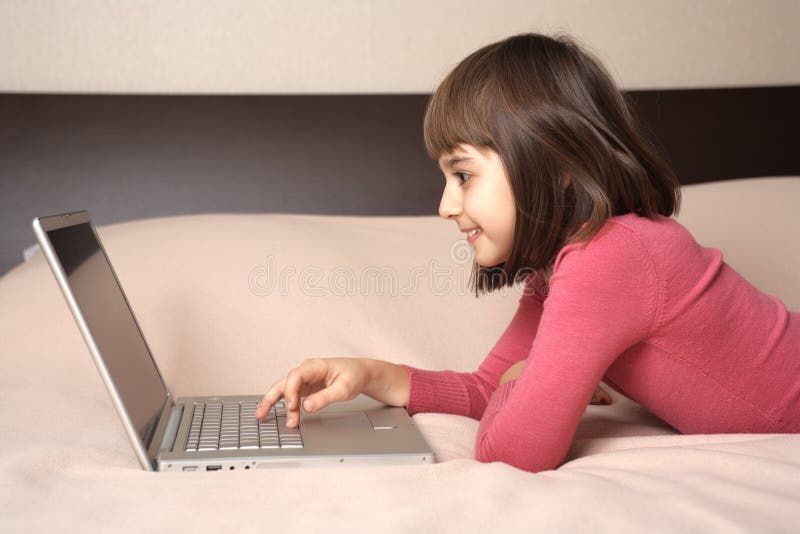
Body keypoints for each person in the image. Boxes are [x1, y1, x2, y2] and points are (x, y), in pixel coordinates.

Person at [255, 32, 800, 473]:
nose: (445, 206)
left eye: (463, 175)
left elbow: (512, 453)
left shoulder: (607, 256)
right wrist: (371, 374)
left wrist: (528, 375)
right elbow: (487, 388)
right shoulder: (564, 266)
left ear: (556, 164)